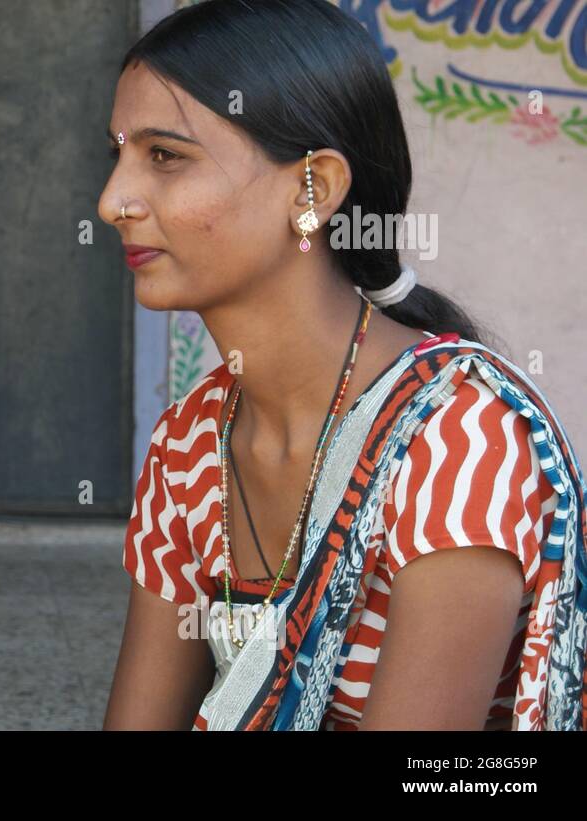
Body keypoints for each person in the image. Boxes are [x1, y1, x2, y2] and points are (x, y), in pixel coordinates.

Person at [101, 0, 585, 730]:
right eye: (119, 156)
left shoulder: (456, 441)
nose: (113, 201)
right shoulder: (187, 446)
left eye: (165, 156)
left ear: (314, 189)